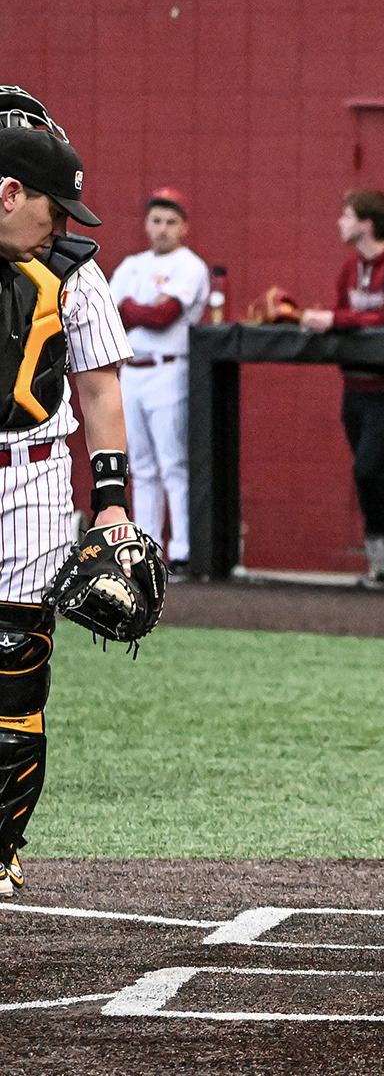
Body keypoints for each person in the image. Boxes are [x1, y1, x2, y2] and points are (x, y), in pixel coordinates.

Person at [0, 114, 140, 900]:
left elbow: (98, 386)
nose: (62, 224)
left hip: (32, 480)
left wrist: (112, 500)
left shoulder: (73, 270)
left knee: (15, 664)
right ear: (10, 192)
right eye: (53, 208)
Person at [298, 189, 384, 586]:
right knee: (377, 473)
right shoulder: (350, 267)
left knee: (368, 467)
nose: (339, 223)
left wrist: (336, 319)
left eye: (347, 215)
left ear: (367, 222)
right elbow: (344, 310)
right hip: (354, 384)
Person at [109, 186, 208, 574]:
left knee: (173, 463)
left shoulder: (190, 265)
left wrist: (134, 308)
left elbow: (163, 315)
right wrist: (138, 309)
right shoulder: (132, 264)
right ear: (146, 224)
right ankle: (148, 547)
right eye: (156, 220)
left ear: (183, 227)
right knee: (142, 467)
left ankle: (182, 549)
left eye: (171, 221)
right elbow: (112, 314)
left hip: (169, 368)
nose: (163, 228)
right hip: (132, 370)